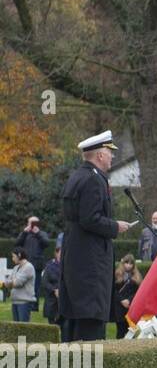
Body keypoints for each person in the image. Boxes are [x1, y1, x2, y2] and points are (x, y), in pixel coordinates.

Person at [59, 131, 130, 341]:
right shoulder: (93, 180)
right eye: (109, 152)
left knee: (75, 324)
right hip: (90, 263)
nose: (112, 157)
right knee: (91, 325)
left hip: (77, 257)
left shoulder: (77, 176)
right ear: (99, 155)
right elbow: (90, 219)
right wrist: (115, 226)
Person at [15, 216, 51, 292]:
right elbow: (17, 243)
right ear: (28, 223)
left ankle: (35, 304)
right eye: (31, 223)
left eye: (35, 223)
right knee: (24, 286)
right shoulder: (24, 234)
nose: (33, 225)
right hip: (24, 265)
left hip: (37, 266)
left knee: (36, 287)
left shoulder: (42, 234)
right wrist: (24, 233)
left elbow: (47, 243)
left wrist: (38, 233)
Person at [108, 255, 140, 338]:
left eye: (131, 263)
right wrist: (122, 300)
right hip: (119, 306)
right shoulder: (117, 274)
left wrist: (129, 300)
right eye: (126, 263)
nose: (128, 265)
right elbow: (113, 290)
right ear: (123, 263)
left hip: (130, 306)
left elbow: (137, 292)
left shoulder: (136, 277)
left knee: (130, 329)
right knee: (120, 329)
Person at [7, 250, 38, 323]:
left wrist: (12, 282)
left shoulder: (28, 267)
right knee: (17, 328)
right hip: (15, 301)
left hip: (24, 303)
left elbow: (17, 283)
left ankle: (23, 335)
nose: (12, 259)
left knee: (23, 329)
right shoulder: (16, 267)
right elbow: (8, 281)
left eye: (13, 256)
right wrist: (12, 282)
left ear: (19, 255)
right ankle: (19, 335)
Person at [41, 244, 63, 332]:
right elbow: (45, 282)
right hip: (52, 299)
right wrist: (54, 290)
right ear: (56, 253)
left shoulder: (69, 265)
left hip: (64, 299)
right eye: (61, 252)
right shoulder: (49, 266)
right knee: (52, 324)